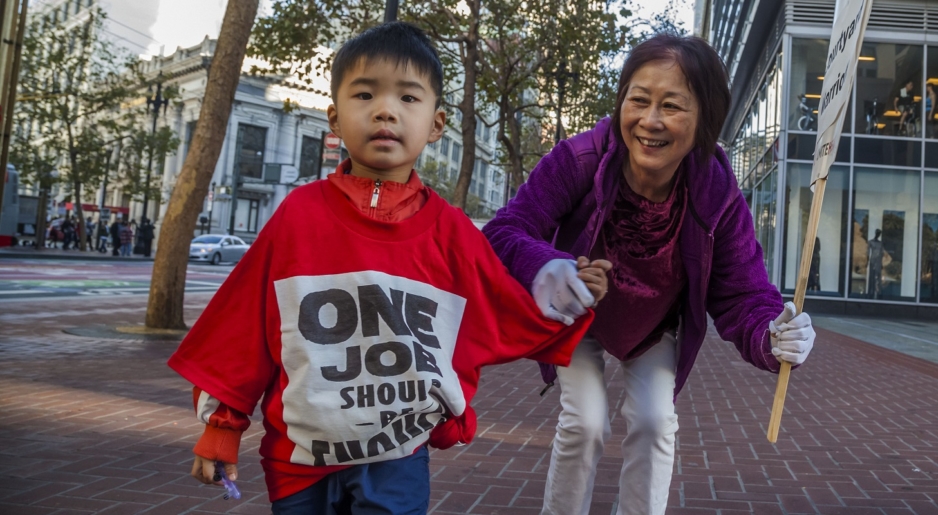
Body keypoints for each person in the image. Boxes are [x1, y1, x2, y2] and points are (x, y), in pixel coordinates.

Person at [167, 22, 610, 514]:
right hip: (298, 460)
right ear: (334, 118)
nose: (385, 109)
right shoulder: (298, 216)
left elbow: (502, 309)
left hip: (397, 454)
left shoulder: (451, 232)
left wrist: (570, 295)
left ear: (436, 124)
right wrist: (220, 426)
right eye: (364, 93)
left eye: (408, 97)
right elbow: (240, 329)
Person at [483, 34, 817, 515]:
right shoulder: (580, 158)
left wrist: (772, 335)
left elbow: (742, 292)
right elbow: (506, 229)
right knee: (585, 421)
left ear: (705, 120)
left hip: (654, 324)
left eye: (672, 106)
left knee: (656, 422)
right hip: (580, 317)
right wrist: (550, 266)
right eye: (638, 100)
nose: (651, 120)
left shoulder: (717, 192)